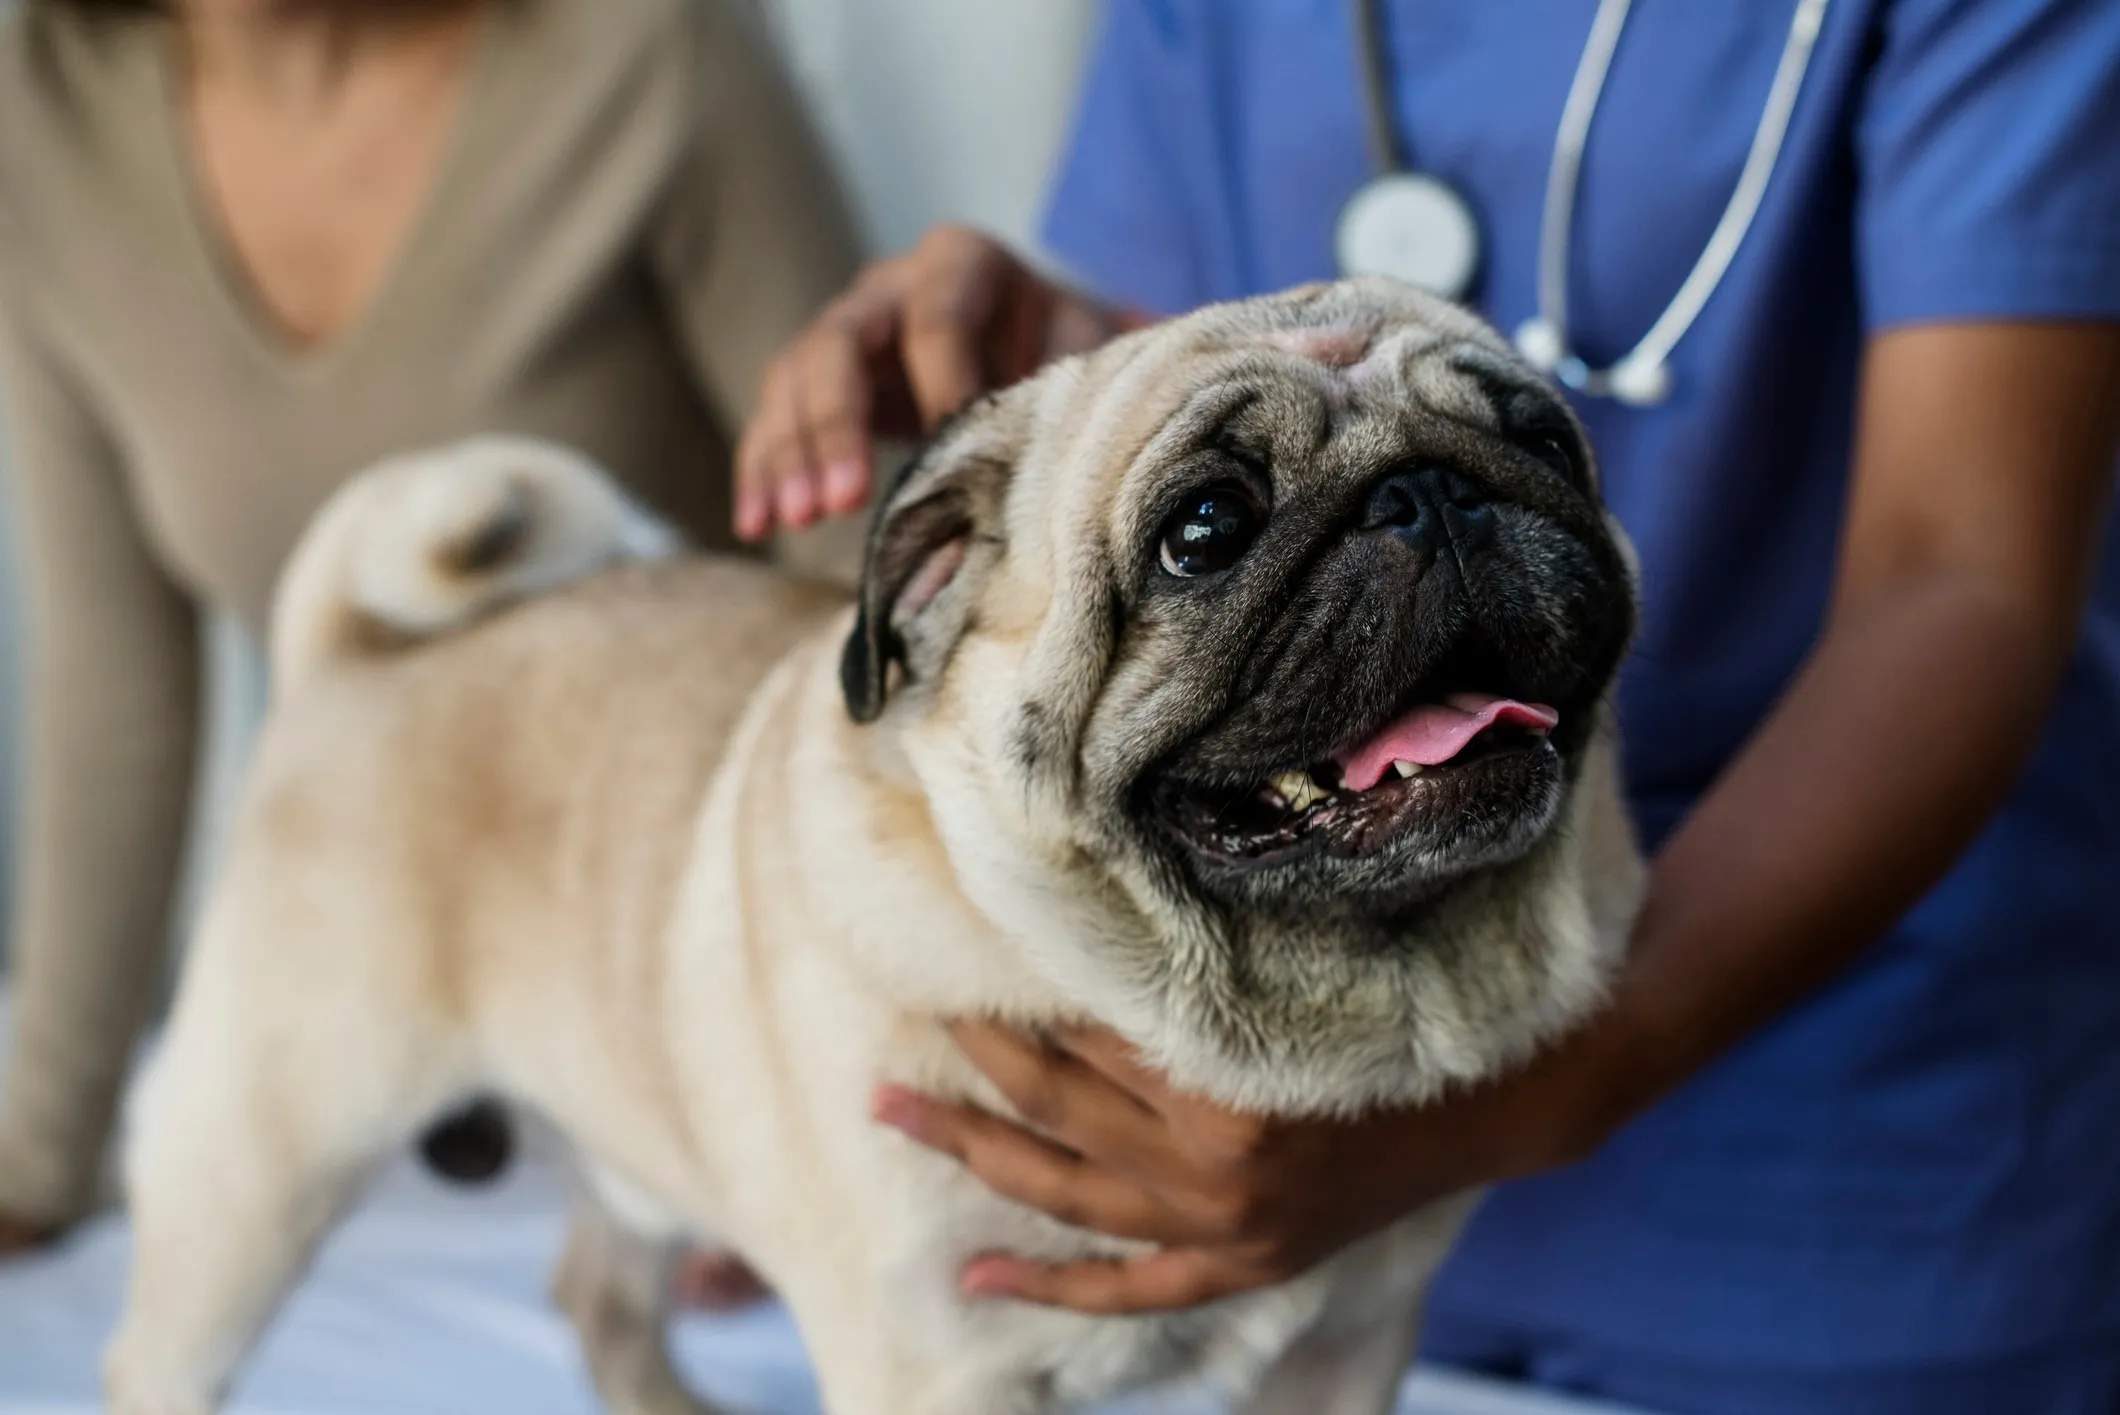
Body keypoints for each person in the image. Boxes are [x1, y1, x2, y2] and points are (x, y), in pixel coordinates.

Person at [733, 2, 2120, 1411]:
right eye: (1212, 527)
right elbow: (1182, 359)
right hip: (1205, 1176)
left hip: (1846, 1199)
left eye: (1505, 445)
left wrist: (1534, 1091)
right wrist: (1059, 364)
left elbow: (1966, 576)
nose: (1415, 527)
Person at [0, 0, 859, 1282]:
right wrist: (38, 1153)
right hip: (370, 981)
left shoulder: (652, 52)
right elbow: (115, 683)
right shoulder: (35, 112)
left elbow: (868, 577)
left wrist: (821, 1093)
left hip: (703, 997)